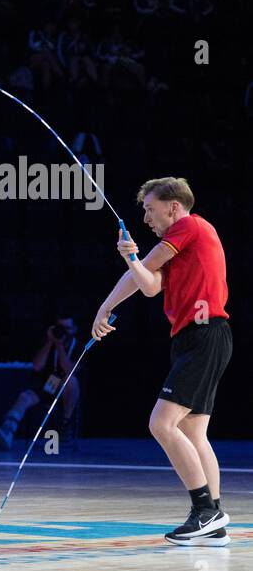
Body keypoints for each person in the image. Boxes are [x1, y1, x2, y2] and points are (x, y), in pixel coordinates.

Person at [93, 177, 232, 546]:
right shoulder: (178, 245)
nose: (146, 217)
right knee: (193, 432)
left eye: (150, 209)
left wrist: (109, 300)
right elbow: (150, 285)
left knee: (161, 423)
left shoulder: (189, 225)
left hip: (203, 334)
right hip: (199, 337)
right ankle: (214, 519)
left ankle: (205, 510)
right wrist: (127, 266)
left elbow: (142, 274)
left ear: (173, 206)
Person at [0, 315, 80, 450]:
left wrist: (59, 346)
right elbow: (37, 366)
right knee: (25, 397)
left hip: (66, 389)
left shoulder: (78, 345)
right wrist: (50, 342)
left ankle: (66, 424)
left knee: (71, 380)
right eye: (60, 328)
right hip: (50, 383)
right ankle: (8, 430)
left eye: (67, 328)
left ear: (74, 329)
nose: (63, 331)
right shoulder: (48, 341)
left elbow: (69, 370)